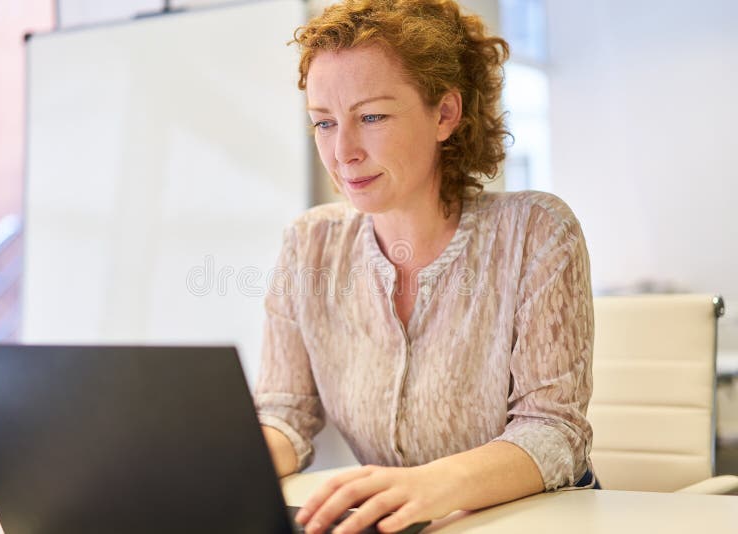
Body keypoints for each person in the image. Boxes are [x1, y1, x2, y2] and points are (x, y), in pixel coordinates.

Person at [254, 0, 596, 532]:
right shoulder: (308, 245)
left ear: (445, 114)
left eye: (371, 117)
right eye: (323, 123)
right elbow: (286, 414)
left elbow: (553, 432)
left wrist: (431, 484)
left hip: (530, 519)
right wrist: (213, 455)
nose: (342, 151)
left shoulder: (535, 230)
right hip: (401, 521)